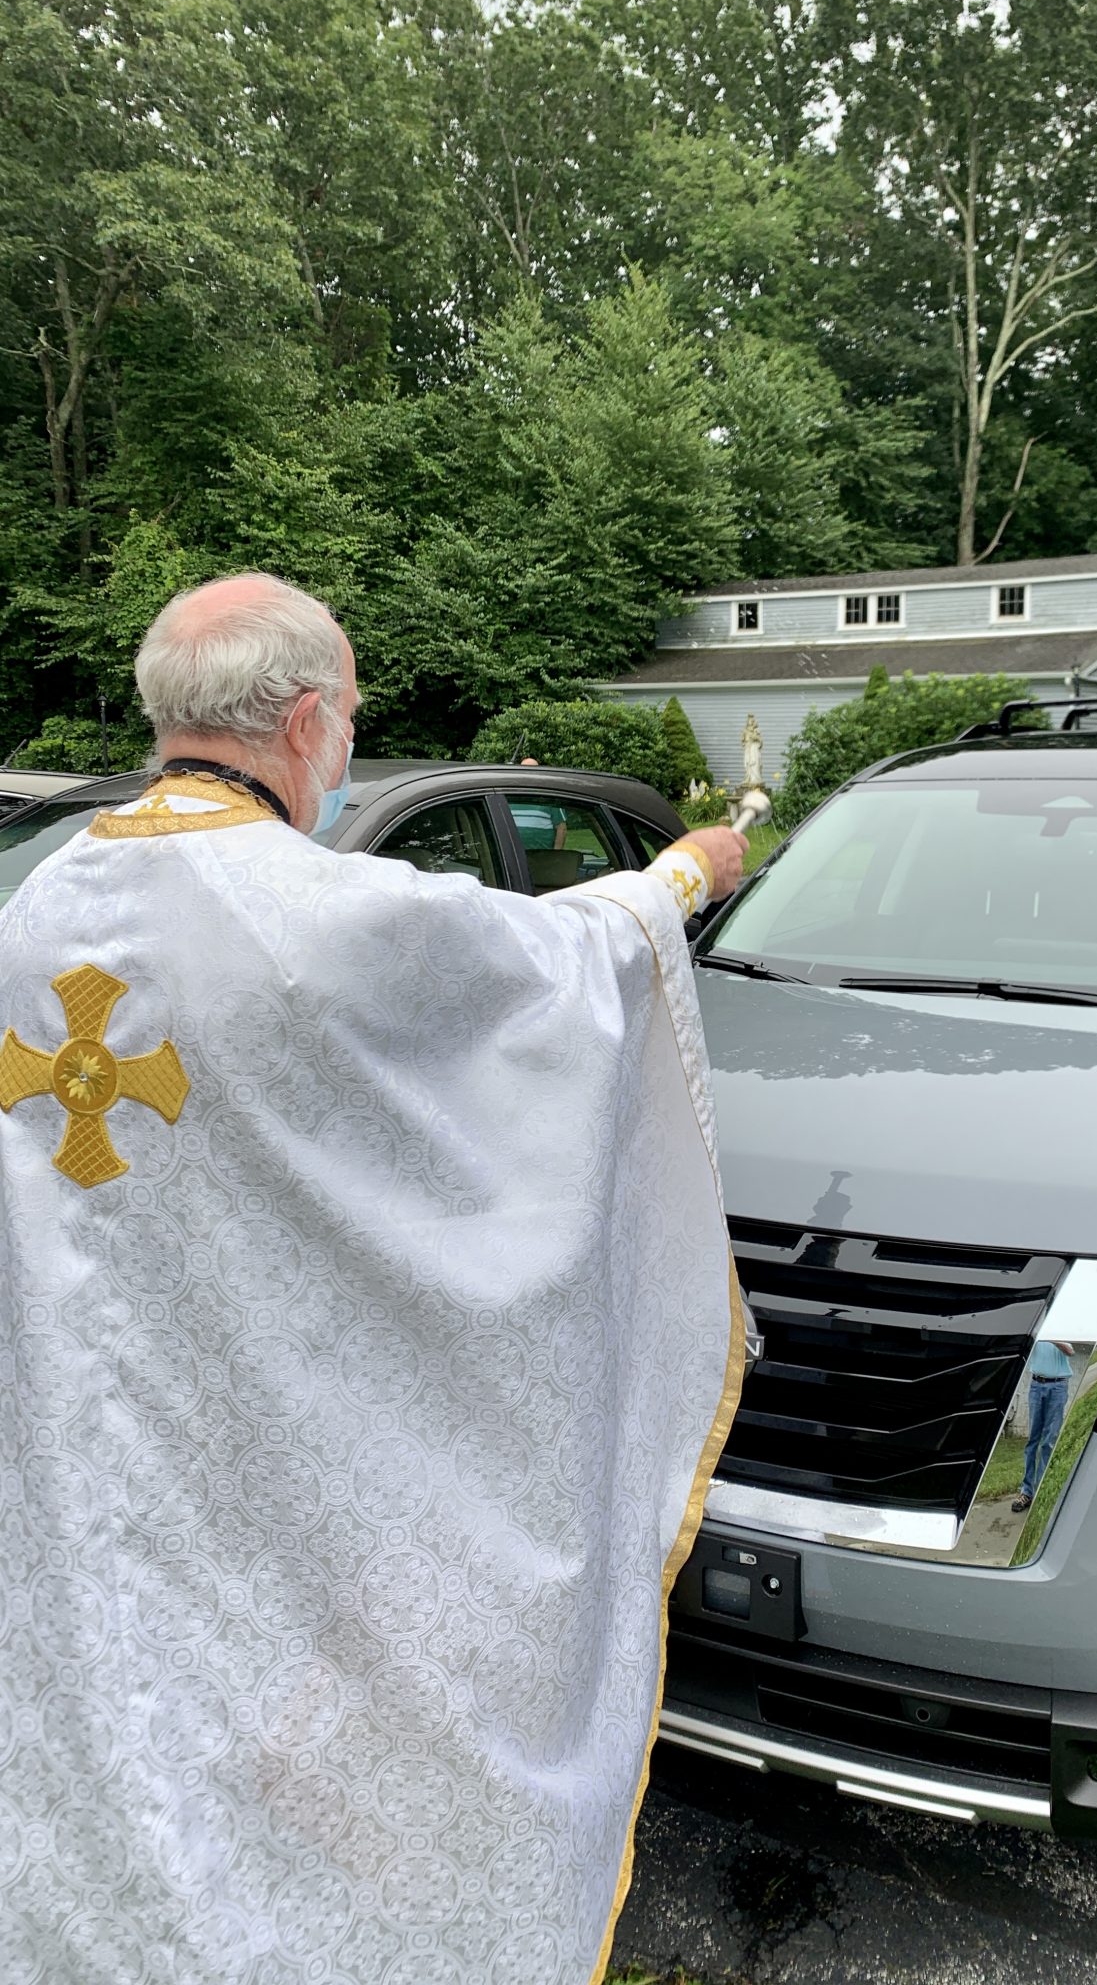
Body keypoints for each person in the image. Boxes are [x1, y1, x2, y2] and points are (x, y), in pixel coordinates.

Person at [0, 573, 746, 1985]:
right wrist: (689, 872)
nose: (346, 743)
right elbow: (557, 963)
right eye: (347, 713)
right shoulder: (310, 912)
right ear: (302, 721)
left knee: (131, 1718)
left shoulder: (39, 910)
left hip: (108, 1432)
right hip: (277, 1435)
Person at [1012, 1339, 1073, 1512]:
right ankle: (1026, 1492)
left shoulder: (1064, 1328)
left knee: (1048, 1441)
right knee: (1032, 1441)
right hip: (1036, 1385)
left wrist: (1053, 1338)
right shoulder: (1039, 1327)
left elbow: (1070, 1351)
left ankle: (1040, 1492)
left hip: (1058, 1386)